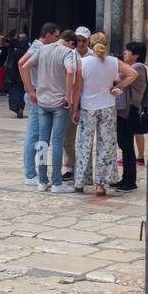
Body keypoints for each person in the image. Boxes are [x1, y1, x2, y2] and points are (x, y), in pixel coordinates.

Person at [72, 32, 137, 197]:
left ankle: (80, 181)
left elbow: (78, 88)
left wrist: (75, 109)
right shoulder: (114, 62)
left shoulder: (83, 62)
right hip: (107, 106)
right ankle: (101, 185)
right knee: (106, 146)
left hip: (88, 107)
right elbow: (133, 74)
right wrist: (119, 86)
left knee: (85, 144)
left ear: (90, 44)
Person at [23, 23, 76, 192]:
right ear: (67, 41)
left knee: (42, 142)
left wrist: (31, 90)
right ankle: (57, 182)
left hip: (42, 102)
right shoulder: (67, 52)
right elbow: (70, 71)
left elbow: (24, 66)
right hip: (59, 103)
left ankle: (42, 181)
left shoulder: (42, 49)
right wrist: (68, 95)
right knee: (57, 142)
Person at [17, 25, 55, 185]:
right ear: (48, 35)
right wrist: (30, 89)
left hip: (37, 95)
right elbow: (21, 63)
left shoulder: (37, 46)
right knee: (34, 135)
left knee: (37, 135)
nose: (57, 40)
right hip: (36, 97)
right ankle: (30, 173)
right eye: (56, 36)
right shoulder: (39, 47)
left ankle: (32, 171)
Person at [115, 40, 148, 193]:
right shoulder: (135, 67)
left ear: (136, 55)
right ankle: (126, 178)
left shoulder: (137, 68)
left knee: (126, 145)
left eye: (128, 52)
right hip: (126, 111)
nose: (125, 54)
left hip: (129, 111)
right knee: (125, 144)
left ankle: (129, 181)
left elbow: (118, 78)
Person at [62, 27, 90, 180]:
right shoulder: (69, 54)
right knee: (68, 137)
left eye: (84, 40)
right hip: (72, 99)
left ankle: (86, 169)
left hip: (87, 100)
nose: (81, 43)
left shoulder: (94, 55)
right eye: (78, 40)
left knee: (87, 137)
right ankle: (71, 167)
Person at [4, 31, 29, 117]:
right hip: (25, 76)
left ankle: (17, 108)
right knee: (22, 93)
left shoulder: (15, 52)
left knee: (14, 93)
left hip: (15, 77)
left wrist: (9, 77)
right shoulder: (29, 52)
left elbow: (10, 65)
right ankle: (21, 107)